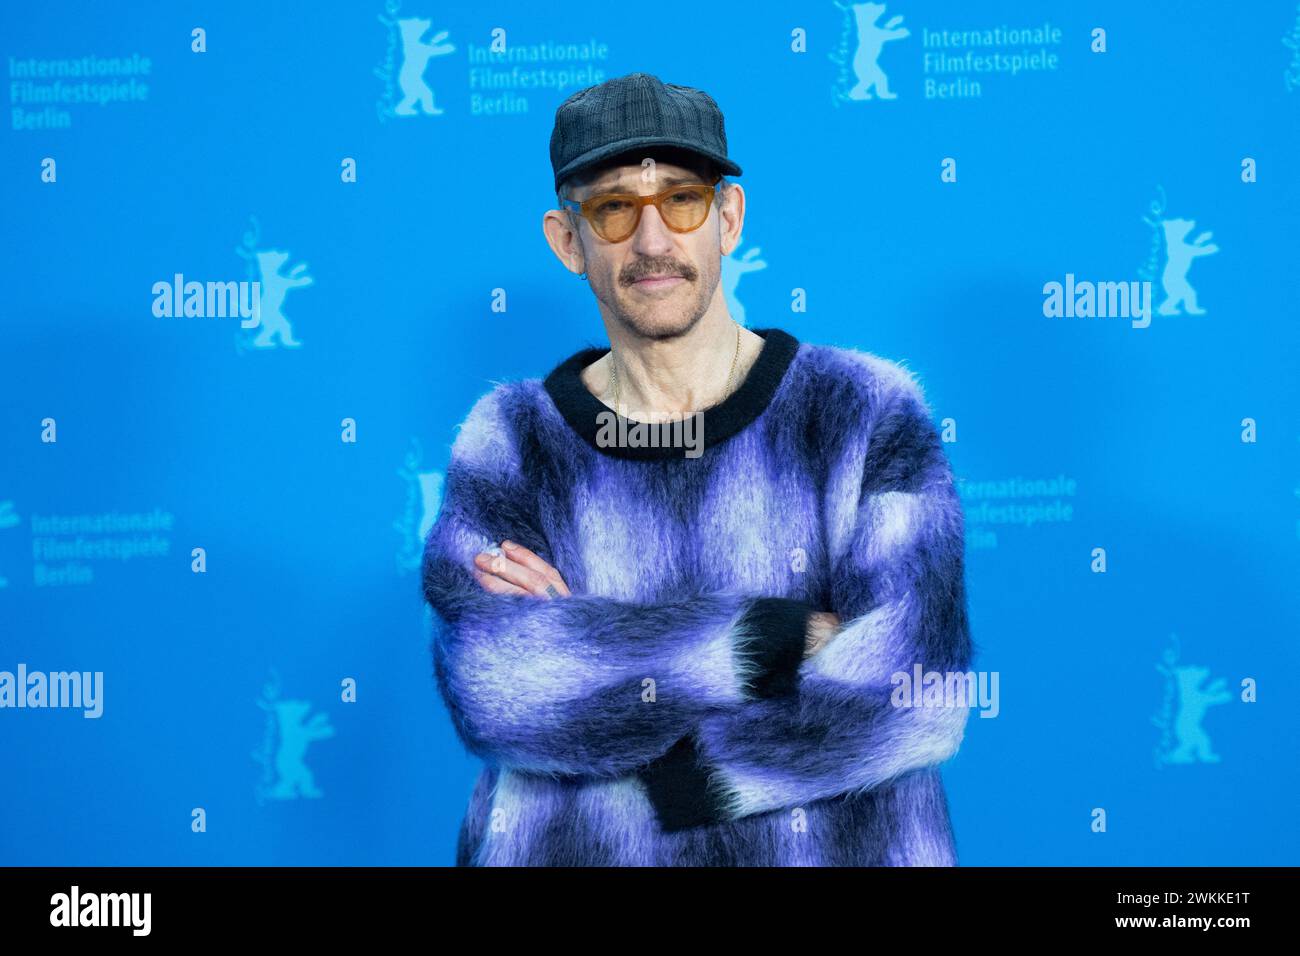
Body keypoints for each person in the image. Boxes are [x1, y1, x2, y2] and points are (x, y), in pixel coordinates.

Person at [421, 71, 973, 866]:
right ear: (567, 239)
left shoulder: (864, 412)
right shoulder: (510, 440)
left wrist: (610, 678)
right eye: (614, 208)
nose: (653, 242)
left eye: (681, 200)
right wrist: (771, 639)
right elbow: (498, 683)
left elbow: (916, 691)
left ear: (729, 217)